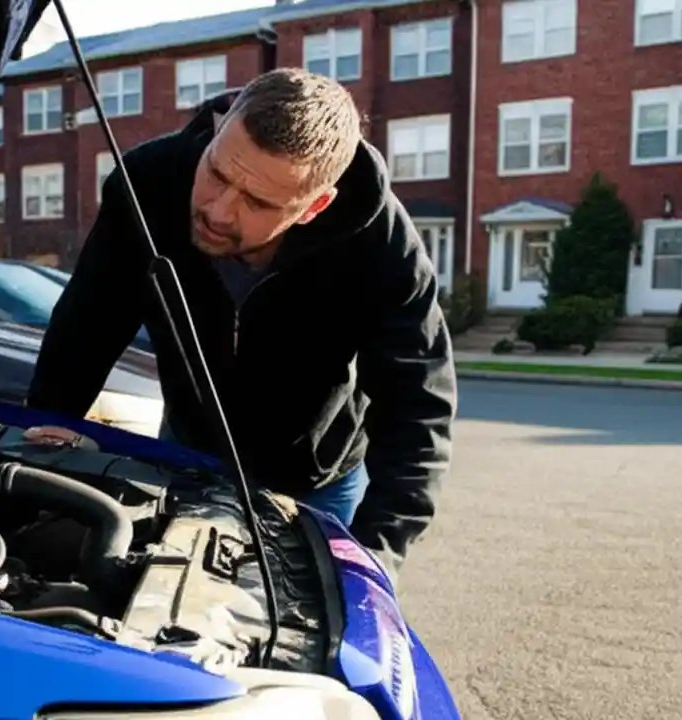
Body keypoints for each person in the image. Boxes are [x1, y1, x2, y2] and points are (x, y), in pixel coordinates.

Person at [24, 68, 457, 586]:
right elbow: (88, 322)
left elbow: (417, 406)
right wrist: (49, 424)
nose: (218, 210)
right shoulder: (147, 184)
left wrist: (375, 556)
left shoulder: (383, 247)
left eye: (257, 202)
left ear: (314, 206)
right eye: (218, 172)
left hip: (318, 478)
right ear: (217, 126)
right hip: (186, 450)